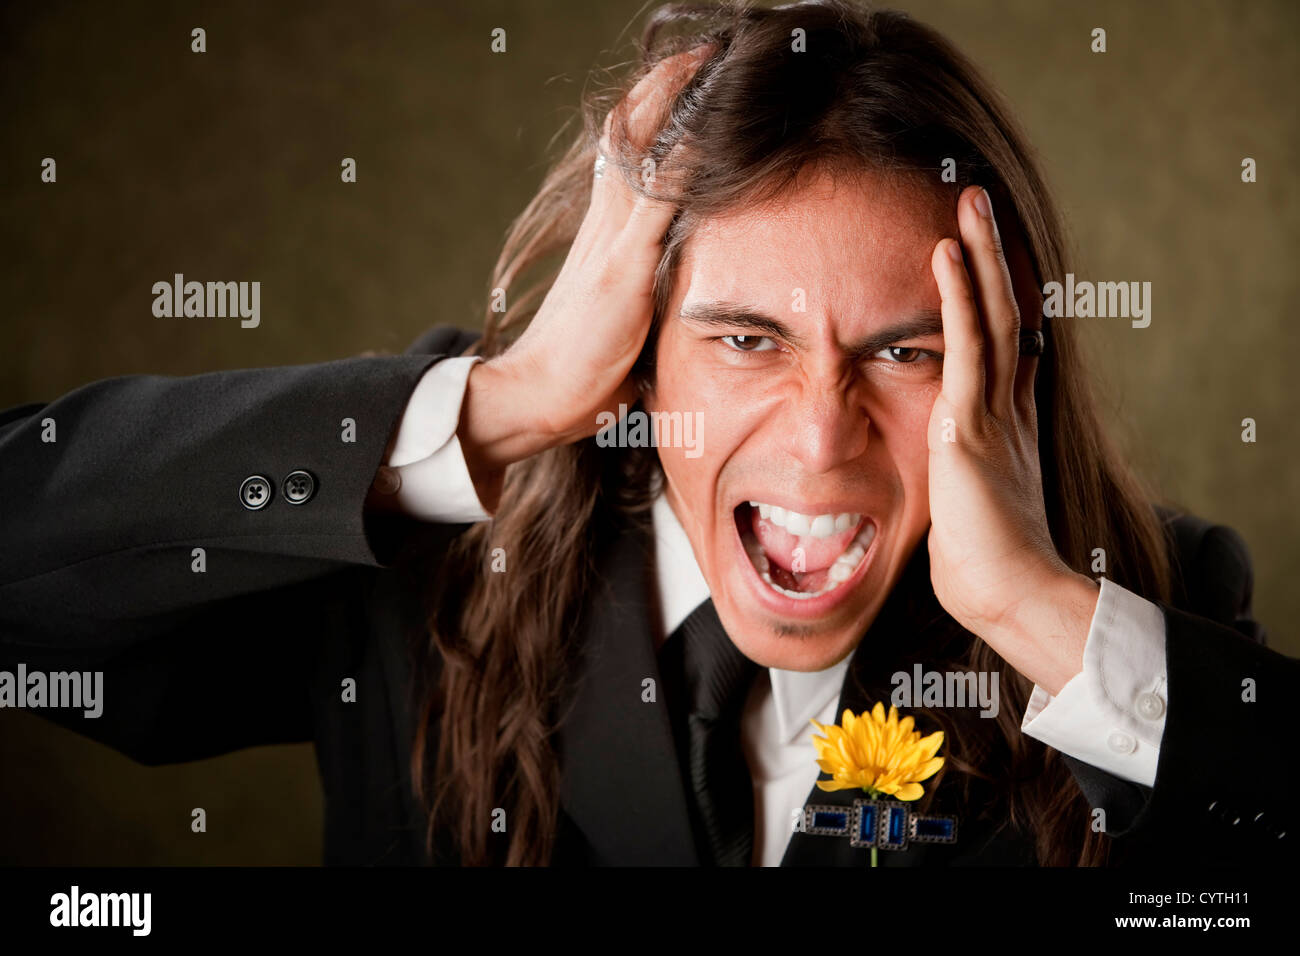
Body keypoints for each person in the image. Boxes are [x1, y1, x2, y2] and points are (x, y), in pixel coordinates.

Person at [1, 0, 1294, 867]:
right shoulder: (416, 563)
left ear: (1006, 366)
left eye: (907, 351)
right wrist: (505, 407)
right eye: (746, 338)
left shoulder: (1137, 625)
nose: (820, 434)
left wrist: (1038, 614)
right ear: (634, 347)